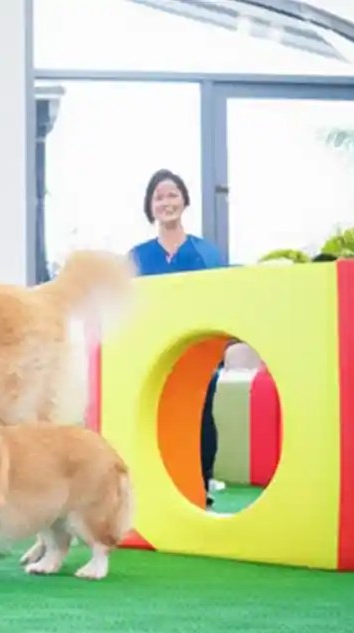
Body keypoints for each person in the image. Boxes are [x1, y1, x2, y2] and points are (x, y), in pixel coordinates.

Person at [128, 169, 226, 508]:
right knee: (153, 416)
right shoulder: (137, 256)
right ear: (150, 207)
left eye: (172, 195)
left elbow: (218, 302)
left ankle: (201, 483)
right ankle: (155, 488)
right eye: (159, 197)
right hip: (152, 353)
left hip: (197, 351)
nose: (166, 202)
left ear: (184, 201)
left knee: (200, 415)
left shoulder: (206, 253)